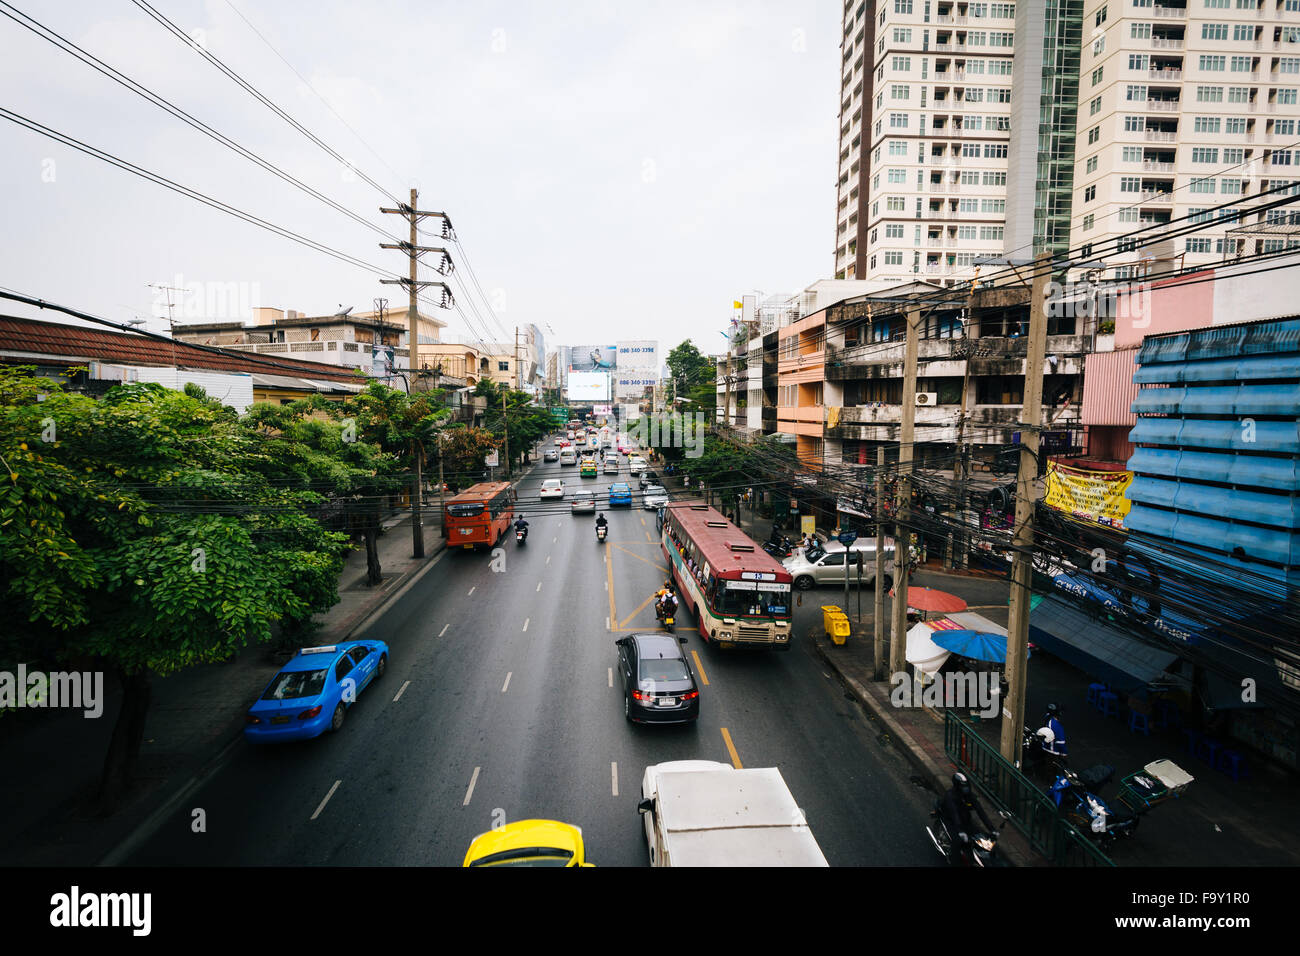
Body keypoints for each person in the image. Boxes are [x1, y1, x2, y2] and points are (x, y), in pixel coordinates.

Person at [939, 772, 995, 864]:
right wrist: (960, 831)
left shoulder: (970, 796)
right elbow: (954, 814)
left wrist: (991, 829)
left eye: (966, 786)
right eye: (963, 786)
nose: (965, 788)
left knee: (980, 837)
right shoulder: (950, 796)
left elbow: (980, 811)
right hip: (951, 821)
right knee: (957, 842)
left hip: (965, 821)